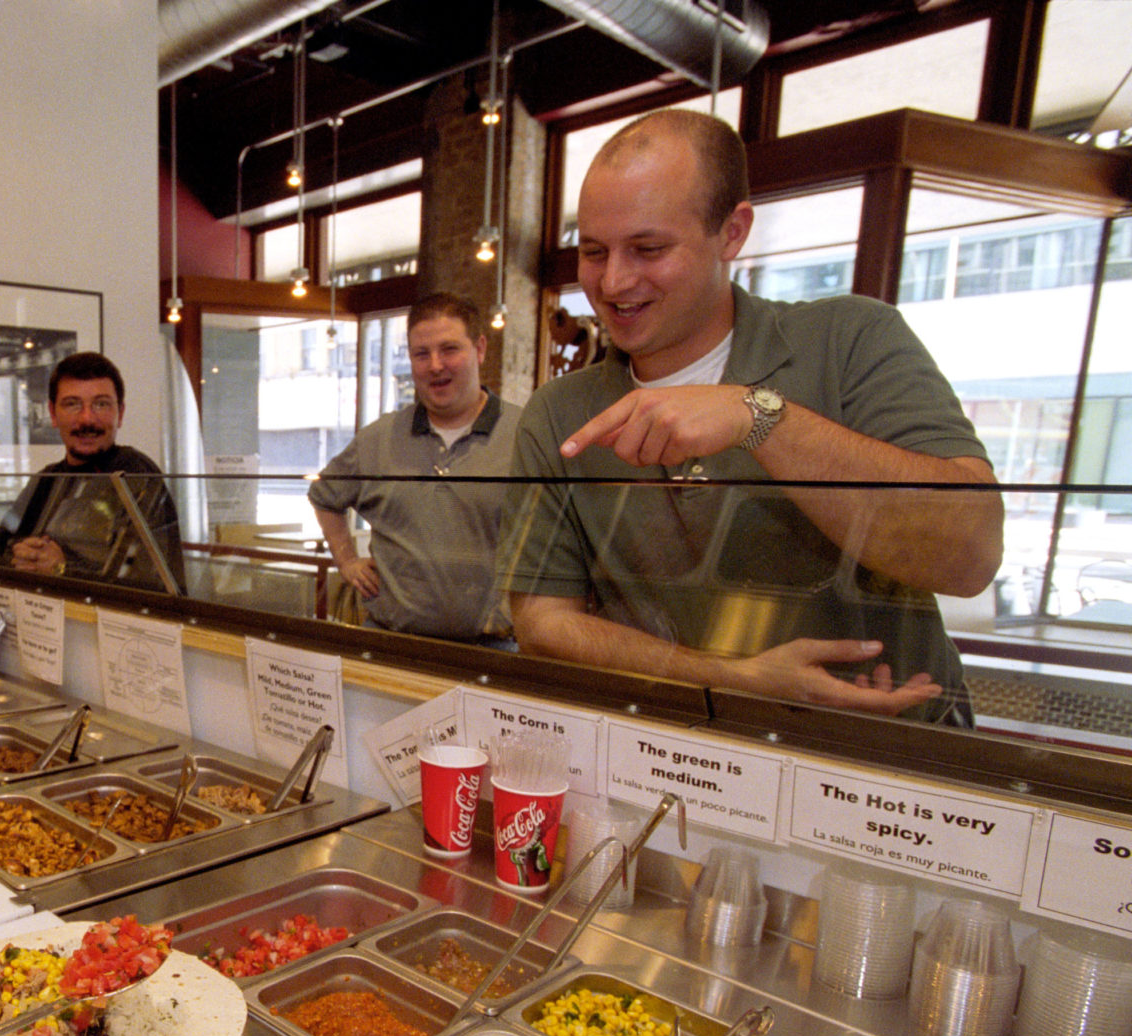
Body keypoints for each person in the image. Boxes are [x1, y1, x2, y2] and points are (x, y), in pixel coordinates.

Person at [500, 109, 1002, 724]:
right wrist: (735, 680)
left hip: (889, 753)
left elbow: (971, 557)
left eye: (649, 249)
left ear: (732, 233)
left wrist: (760, 417)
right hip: (675, 750)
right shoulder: (560, 413)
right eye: (594, 252)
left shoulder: (851, 339)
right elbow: (543, 623)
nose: (614, 281)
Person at [309, 292, 522, 642]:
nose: (435, 366)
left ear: (480, 349)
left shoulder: (524, 435)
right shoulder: (378, 438)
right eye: (421, 354)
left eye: (449, 349)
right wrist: (347, 561)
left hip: (494, 649)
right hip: (389, 643)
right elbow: (323, 496)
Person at [0, 351, 186, 592]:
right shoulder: (47, 479)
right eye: (72, 404)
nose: (87, 419)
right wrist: (20, 555)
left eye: (101, 404)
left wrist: (63, 568)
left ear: (120, 413)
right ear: (53, 414)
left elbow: (145, 578)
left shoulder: (136, 475)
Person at [547, 306, 604, 377]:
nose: (558, 343)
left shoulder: (590, 335)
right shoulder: (583, 334)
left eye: (557, 337)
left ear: (565, 326)